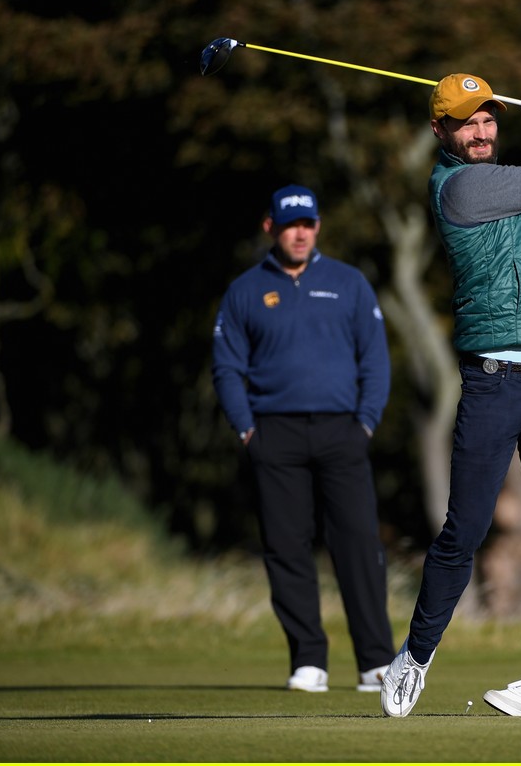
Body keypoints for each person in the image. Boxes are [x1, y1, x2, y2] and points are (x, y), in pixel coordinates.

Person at [380, 75, 521, 718]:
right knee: (465, 531)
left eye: (487, 120)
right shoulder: (464, 188)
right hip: (496, 383)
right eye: (465, 124)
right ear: (441, 133)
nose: (480, 133)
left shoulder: (514, 188)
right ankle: (415, 657)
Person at [212, 184, 395, 693]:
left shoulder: (349, 282)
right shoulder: (246, 290)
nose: (300, 233)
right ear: (270, 226)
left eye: (308, 224)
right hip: (275, 434)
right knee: (287, 547)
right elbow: (227, 367)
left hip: (343, 431)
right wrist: (248, 429)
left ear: (318, 227)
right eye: (290, 224)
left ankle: (376, 661)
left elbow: (375, 361)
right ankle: (308, 659)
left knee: (358, 545)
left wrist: (365, 423)